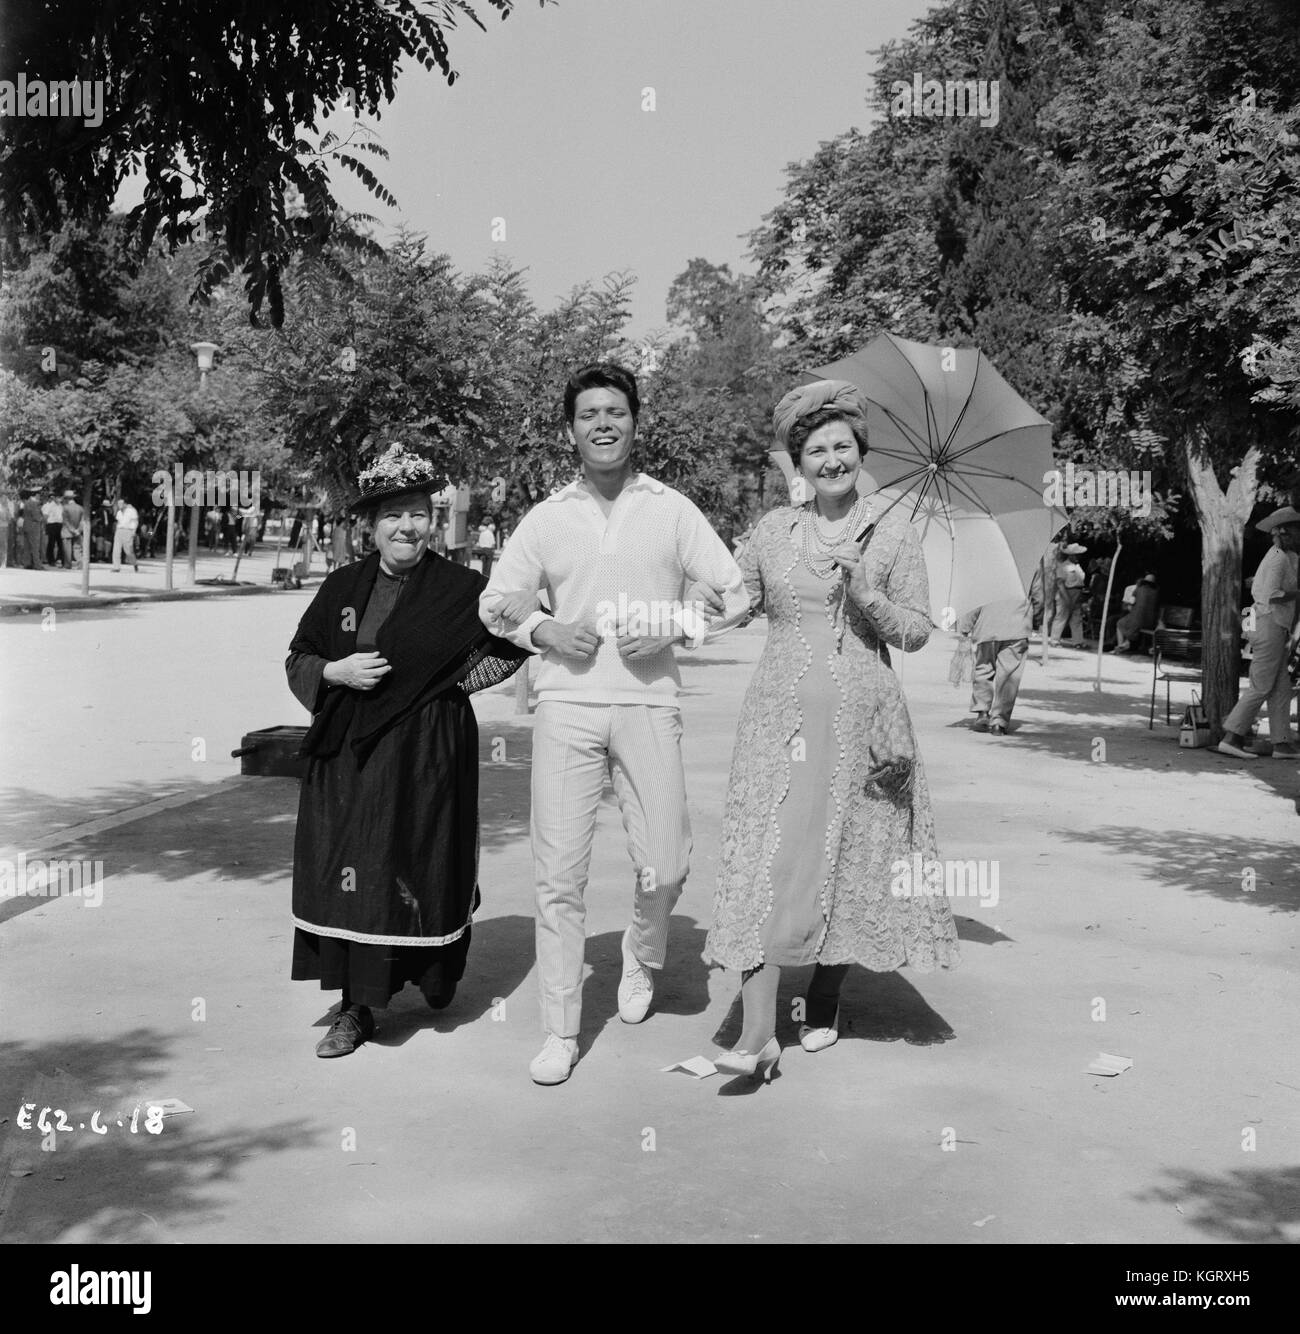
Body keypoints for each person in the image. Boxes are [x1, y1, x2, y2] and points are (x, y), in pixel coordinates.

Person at [480, 362, 750, 1086]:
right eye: (590, 413)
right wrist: (545, 631)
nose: (604, 424)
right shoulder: (547, 516)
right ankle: (561, 1029)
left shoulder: (671, 509)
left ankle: (642, 953)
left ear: (636, 422)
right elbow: (496, 603)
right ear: (570, 430)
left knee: (668, 860)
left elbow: (735, 594)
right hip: (567, 704)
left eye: (617, 412)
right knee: (557, 874)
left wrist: (672, 627)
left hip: (648, 702)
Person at [703, 380, 959, 1083]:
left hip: (866, 721)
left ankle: (824, 995)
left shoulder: (895, 532)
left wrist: (869, 593)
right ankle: (758, 1032)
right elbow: (740, 600)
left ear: (860, 452)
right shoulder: (772, 532)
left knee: (850, 853)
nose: (831, 459)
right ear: (799, 462)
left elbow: (914, 633)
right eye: (816, 449)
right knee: (766, 857)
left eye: (842, 445)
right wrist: (702, 605)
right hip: (777, 720)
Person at [286, 445, 529, 1057]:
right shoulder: (343, 586)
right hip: (349, 759)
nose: (407, 527)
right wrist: (336, 672)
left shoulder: (460, 589)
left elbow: (513, 634)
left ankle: (431, 972)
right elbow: (299, 657)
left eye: (418, 514)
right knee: (357, 872)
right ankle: (357, 1007)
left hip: (427, 755)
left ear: (433, 521)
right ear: (371, 525)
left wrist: (448, 686)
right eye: (393, 515)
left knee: (417, 861)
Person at [1218, 507, 1300, 761]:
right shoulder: (1278, 557)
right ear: (1286, 533)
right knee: (1262, 684)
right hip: (1268, 622)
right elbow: (1270, 595)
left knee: (1280, 688)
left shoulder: (1282, 555)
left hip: (1266, 622)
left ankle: (1281, 743)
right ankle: (1232, 736)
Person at [959, 594, 1038, 735]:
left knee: (984, 668)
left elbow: (974, 602)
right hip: (1017, 627)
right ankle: (999, 722)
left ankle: (982, 712)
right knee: (1009, 676)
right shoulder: (1028, 572)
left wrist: (965, 628)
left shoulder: (987, 572)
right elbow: (1039, 596)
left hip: (988, 626)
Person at [1048, 543, 1087, 646]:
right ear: (1071, 555)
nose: (1079, 556)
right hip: (1066, 592)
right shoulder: (1064, 566)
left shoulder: (1077, 567)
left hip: (1077, 593)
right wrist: (1067, 598)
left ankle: (1078, 641)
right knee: (1062, 616)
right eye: (1077, 554)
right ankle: (1054, 640)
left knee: (1076, 617)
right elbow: (1060, 583)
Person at [1111, 573, 1159, 652]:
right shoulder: (1156, 592)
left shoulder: (1138, 589)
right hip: (1151, 622)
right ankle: (1125, 644)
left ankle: (1121, 645)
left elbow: (1130, 606)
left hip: (1137, 619)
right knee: (1133, 625)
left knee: (1120, 623)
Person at [111, 498, 140, 572]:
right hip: (119, 530)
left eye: (121, 504)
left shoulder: (131, 511)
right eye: (118, 504)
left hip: (128, 530)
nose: (119, 505)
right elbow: (118, 522)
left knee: (128, 551)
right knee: (116, 549)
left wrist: (134, 531)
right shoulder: (119, 512)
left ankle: (134, 563)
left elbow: (135, 522)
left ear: (125, 504)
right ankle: (116, 567)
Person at [19, 491, 45, 569]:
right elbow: (36, 517)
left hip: (26, 526)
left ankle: (27, 563)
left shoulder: (26, 504)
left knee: (27, 546)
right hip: (34, 527)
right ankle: (37, 565)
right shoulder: (33, 504)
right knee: (35, 546)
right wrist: (42, 518)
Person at [60, 491, 84, 569]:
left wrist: (72, 530)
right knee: (77, 549)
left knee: (67, 549)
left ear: (66, 499)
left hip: (67, 531)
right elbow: (82, 521)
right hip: (77, 532)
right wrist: (78, 530)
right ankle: (80, 563)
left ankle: (67, 564)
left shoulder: (65, 508)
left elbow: (66, 521)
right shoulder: (80, 508)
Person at [42, 495, 65, 567]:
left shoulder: (61, 506)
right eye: (58, 497)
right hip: (51, 525)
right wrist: (45, 526)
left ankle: (60, 559)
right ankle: (51, 560)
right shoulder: (50, 506)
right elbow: (45, 517)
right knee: (51, 543)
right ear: (55, 498)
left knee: (61, 544)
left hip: (60, 525)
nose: (59, 499)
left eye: (60, 498)